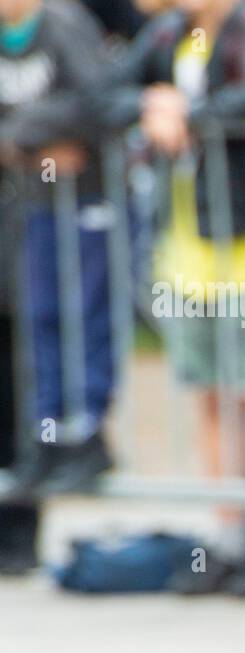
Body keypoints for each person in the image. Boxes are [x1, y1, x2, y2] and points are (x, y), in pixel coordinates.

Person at [98, 0, 245, 595]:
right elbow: (104, 91)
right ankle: (228, 535)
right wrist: (147, 103)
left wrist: (185, 109)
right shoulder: (166, 33)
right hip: (186, 250)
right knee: (212, 395)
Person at [0, 0, 117, 503]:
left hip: (87, 197)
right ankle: (46, 438)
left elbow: (98, 98)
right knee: (41, 317)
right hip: (36, 201)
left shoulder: (65, 23)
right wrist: (31, 142)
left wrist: (21, 133)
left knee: (86, 315)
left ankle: (86, 434)